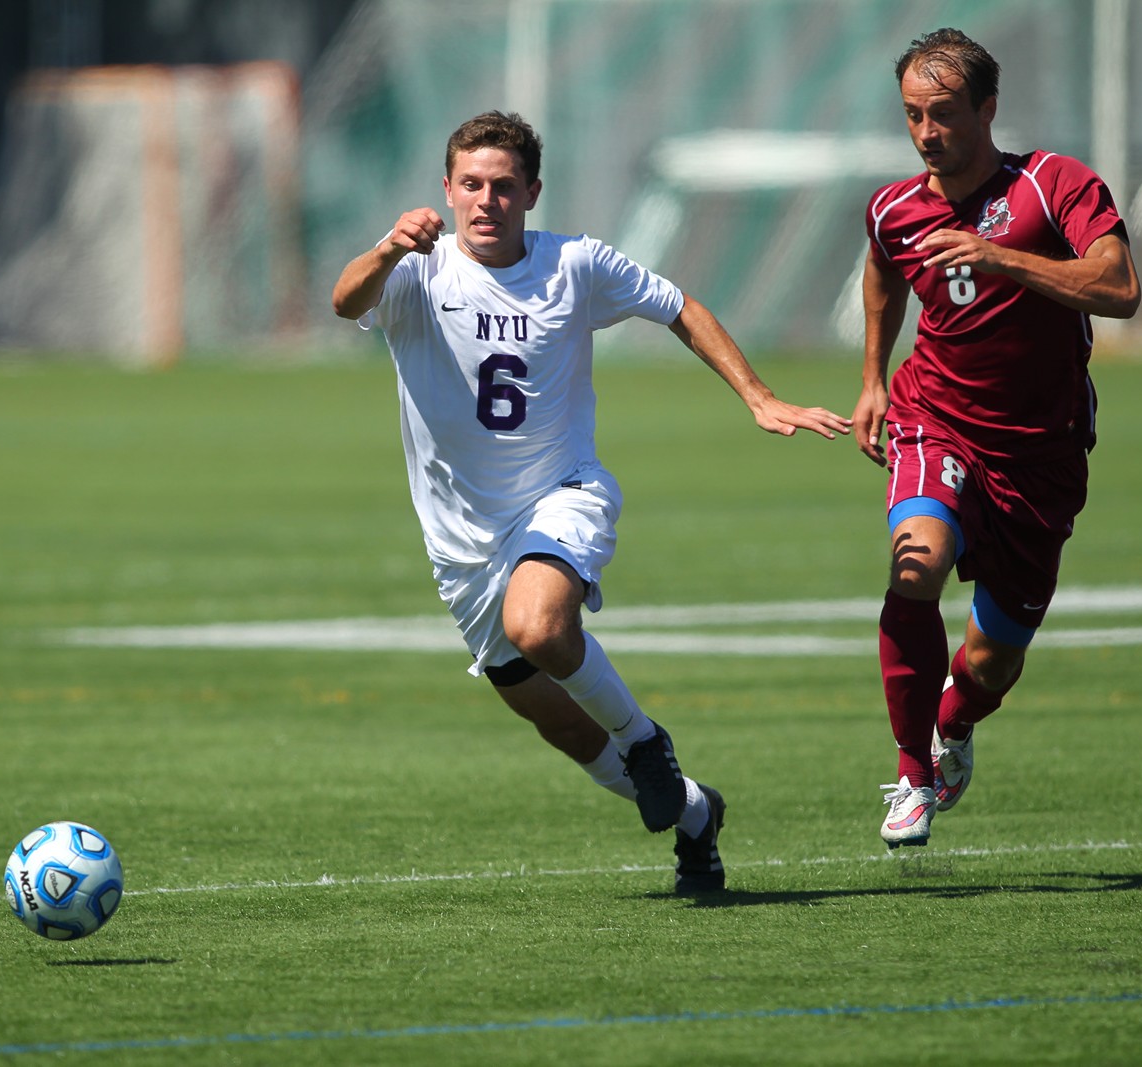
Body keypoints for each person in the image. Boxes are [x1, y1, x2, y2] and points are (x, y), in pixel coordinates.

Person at [332, 110, 851, 893]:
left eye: (503, 186)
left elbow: (679, 305)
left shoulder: (574, 264)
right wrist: (383, 247)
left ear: (532, 192)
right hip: (461, 548)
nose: (485, 201)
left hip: (560, 494)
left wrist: (758, 395)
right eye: (470, 184)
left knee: (538, 624)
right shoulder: (416, 268)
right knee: (572, 735)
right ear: (445, 187)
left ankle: (647, 739)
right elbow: (344, 302)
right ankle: (694, 816)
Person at [853, 29, 1141, 848]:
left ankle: (954, 725)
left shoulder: (1055, 186)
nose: (926, 132)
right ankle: (911, 776)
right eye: (913, 115)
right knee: (917, 562)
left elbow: (1120, 286)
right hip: (933, 417)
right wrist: (874, 378)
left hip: (1040, 453)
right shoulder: (894, 208)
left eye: (942, 114)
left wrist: (1000, 257)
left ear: (987, 108)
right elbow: (882, 266)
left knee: (989, 666)